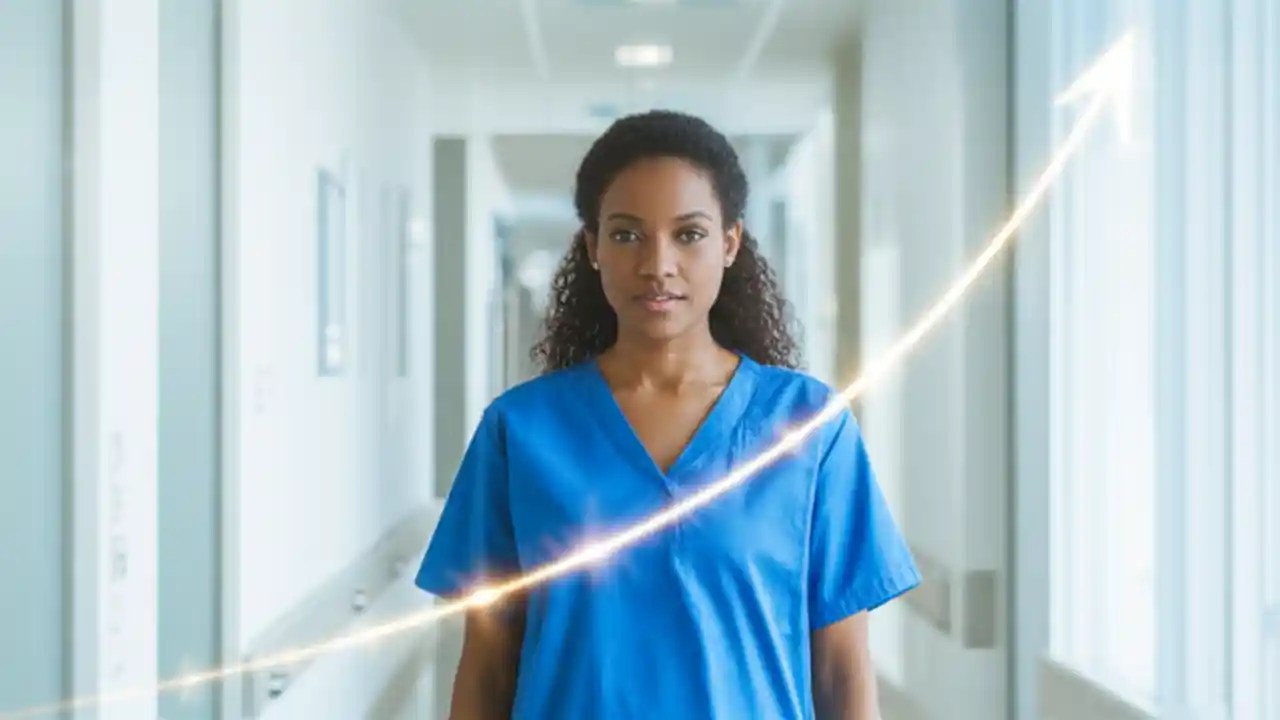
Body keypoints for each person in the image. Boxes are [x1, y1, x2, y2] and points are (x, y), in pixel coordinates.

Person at [415, 110, 919, 719]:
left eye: (689, 234)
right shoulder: (520, 433)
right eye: (627, 234)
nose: (658, 265)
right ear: (592, 247)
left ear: (730, 242)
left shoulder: (809, 428)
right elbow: (487, 667)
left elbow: (843, 669)